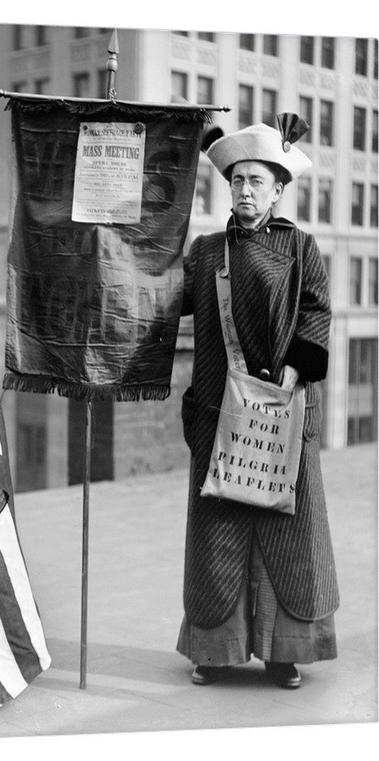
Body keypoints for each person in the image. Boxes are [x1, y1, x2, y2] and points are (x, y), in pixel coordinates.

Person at [177, 119, 337, 689]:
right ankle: (213, 651)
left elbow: (317, 313)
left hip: (283, 414)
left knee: (283, 533)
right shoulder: (204, 252)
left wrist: (289, 378)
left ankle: (282, 653)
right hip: (219, 414)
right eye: (237, 180)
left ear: (278, 190)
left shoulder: (301, 247)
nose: (245, 190)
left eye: (257, 181)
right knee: (219, 530)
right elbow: (162, 301)